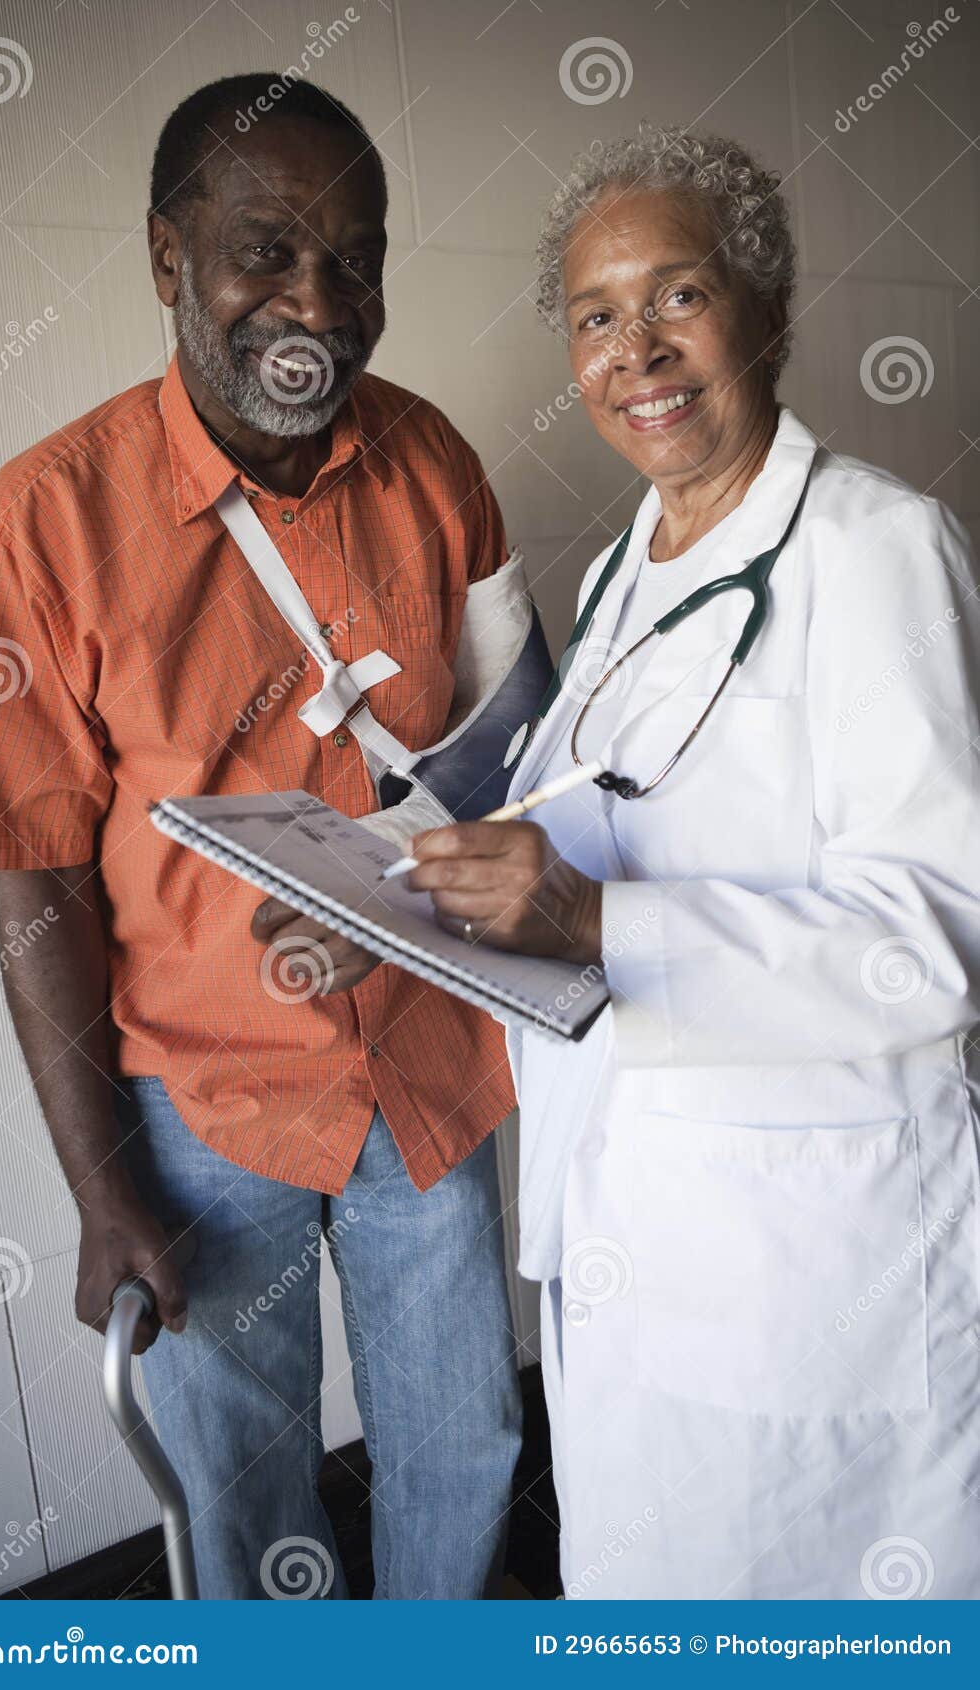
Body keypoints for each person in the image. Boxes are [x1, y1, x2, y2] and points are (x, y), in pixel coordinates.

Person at [0, 76, 525, 1601]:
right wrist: (103, 1188)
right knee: (240, 1494)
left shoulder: (436, 463)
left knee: (466, 1448)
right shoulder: (45, 519)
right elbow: (36, 878)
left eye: (355, 259)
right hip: (202, 1110)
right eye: (267, 250)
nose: (317, 300)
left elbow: (517, 747)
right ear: (165, 256)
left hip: (426, 1067)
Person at [402, 123, 980, 1599]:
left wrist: (603, 924)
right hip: (625, 1233)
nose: (636, 351)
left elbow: (938, 936)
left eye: (678, 295)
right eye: (596, 316)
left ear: (766, 311)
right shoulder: (620, 572)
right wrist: (408, 903)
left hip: (802, 1263)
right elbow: (578, 838)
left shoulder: (876, 548)